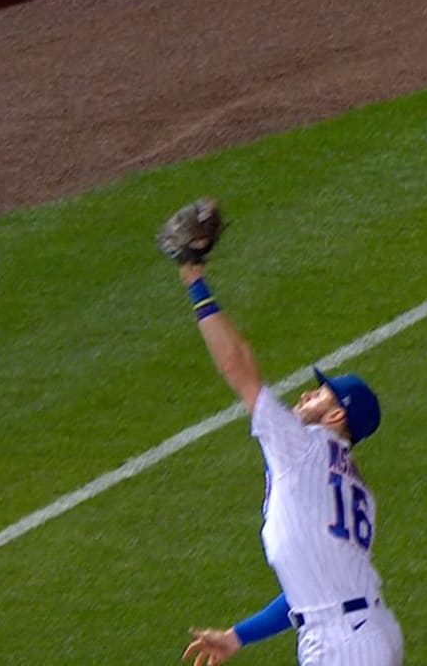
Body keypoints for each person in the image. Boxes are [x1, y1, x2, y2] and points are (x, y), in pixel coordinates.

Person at [160, 200, 404, 666]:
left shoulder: (301, 446)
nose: (306, 398)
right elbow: (306, 592)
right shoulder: (355, 490)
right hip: (362, 634)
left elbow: (239, 366)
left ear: (337, 418)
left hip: (342, 644)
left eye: (320, 395)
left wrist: (194, 277)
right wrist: (237, 636)